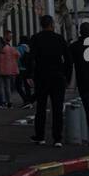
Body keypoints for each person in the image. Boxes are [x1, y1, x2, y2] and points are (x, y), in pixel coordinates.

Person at [28, 15, 72, 147]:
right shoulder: (59, 39)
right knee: (57, 108)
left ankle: (40, 136)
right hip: (58, 77)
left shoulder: (36, 38)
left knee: (41, 108)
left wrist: (30, 75)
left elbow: (31, 58)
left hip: (41, 77)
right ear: (52, 24)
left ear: (41, 24)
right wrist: (67, 77)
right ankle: (57, 138)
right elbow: (68, 60)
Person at [0, 32, 20, 108]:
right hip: (8, 70)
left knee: (1, 86)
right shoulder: (10, 48)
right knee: (8, 86)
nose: (10, 38)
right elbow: (18, 55)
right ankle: (9, 102)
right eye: (10, 36)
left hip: (0, 70)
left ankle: (3, 102)